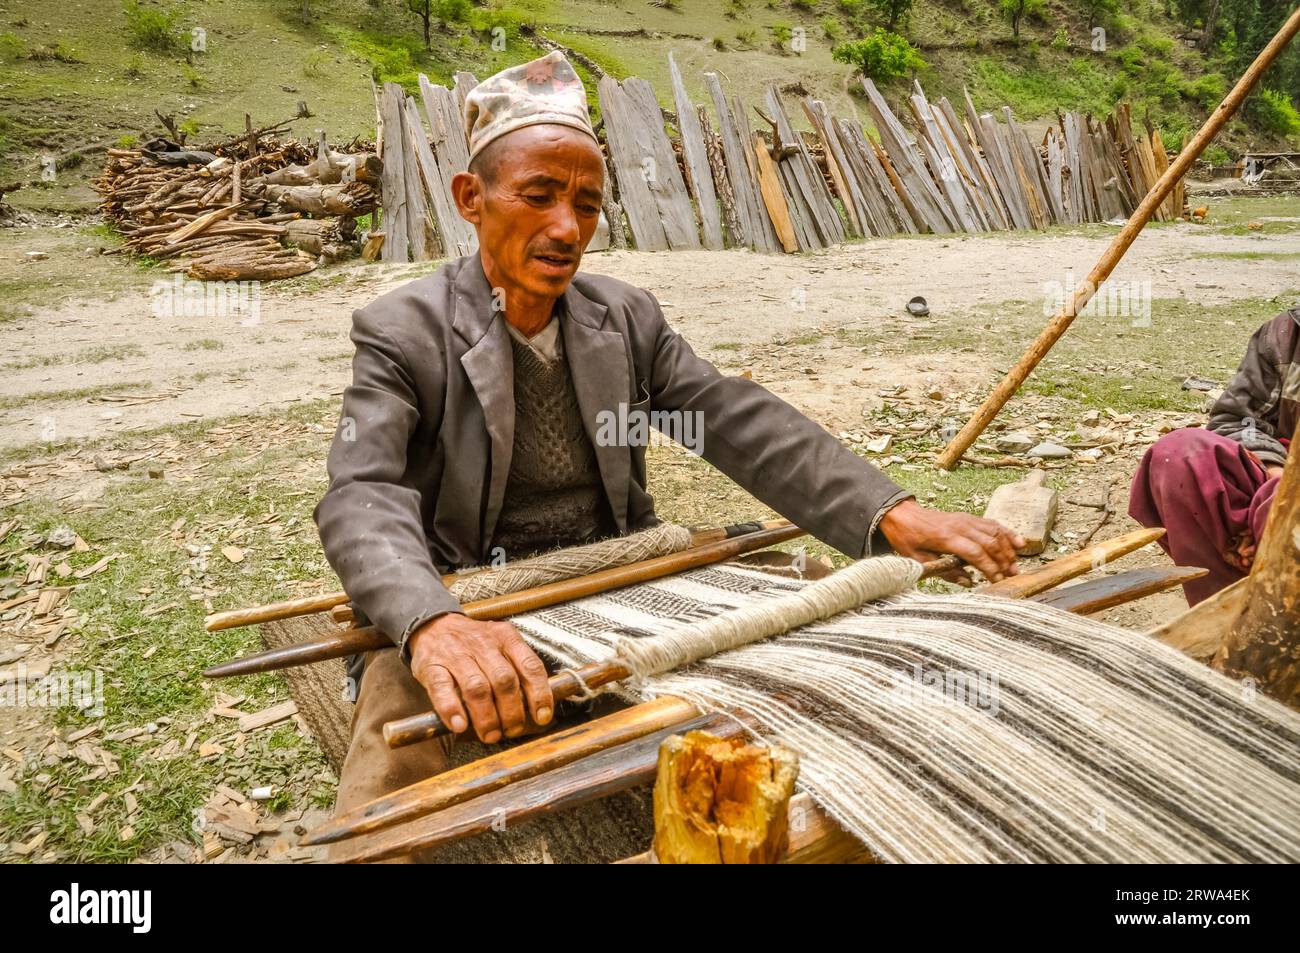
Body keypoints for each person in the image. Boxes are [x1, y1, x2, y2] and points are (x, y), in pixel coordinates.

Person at [314, 52, 1023, 832]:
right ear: (470, 199)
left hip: (620, 572)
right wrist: (430, 622)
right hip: (476, 594)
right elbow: (363, 490)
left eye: (587, 204)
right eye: (539, 195)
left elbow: (726, 415)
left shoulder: (623, 318)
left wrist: (889, 512)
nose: (566, 228)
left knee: (836, 614)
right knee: (397, 735)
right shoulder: (403, 332)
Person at [1130, 306, 1296, 604]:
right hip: (1284, 491)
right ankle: (1233, 616)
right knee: (1180, 456)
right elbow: (1236, 421)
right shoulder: (1286, 334)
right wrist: (1277, 478)